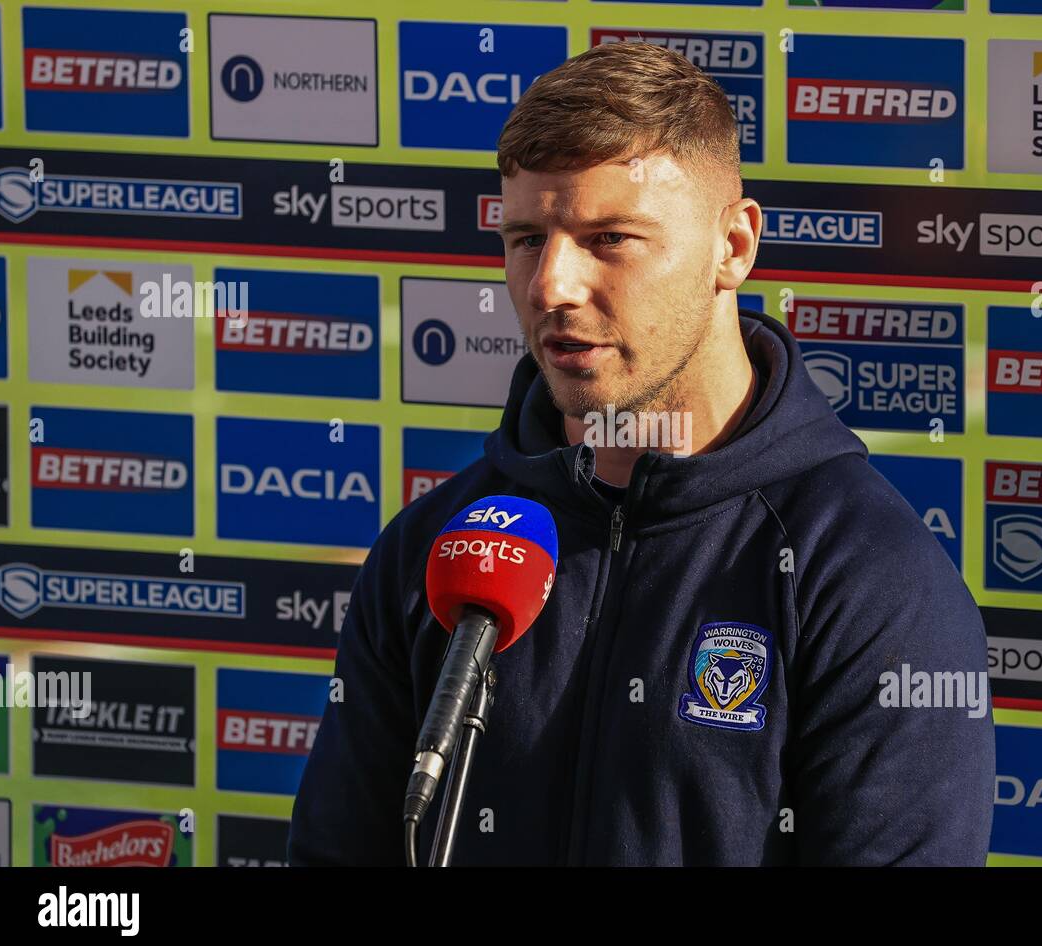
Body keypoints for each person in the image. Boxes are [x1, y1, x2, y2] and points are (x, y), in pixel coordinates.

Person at [289, 41, 994, 866]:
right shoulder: (436, 547)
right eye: (525, 238)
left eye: (609, 238)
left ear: (733, 247)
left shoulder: (870, 579)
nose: (552, 285)